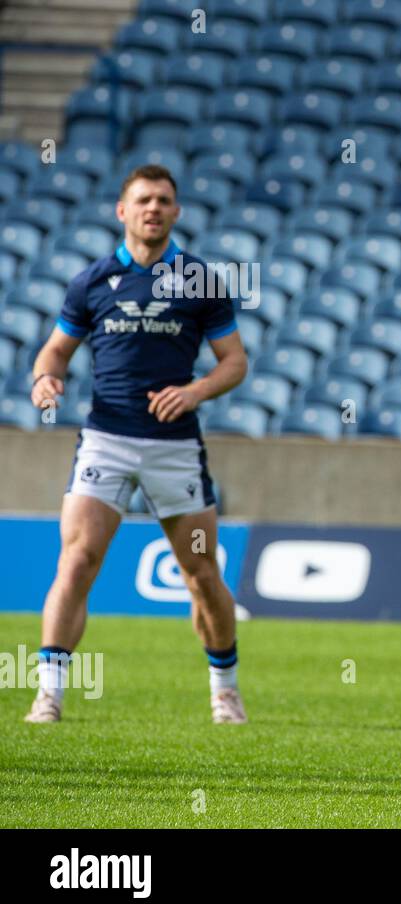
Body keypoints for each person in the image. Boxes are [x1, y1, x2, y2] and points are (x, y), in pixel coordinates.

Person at [24, 164, 250, 725]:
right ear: (122, 211)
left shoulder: (200, 281)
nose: (154, 208)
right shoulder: (91, 282)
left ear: (176, 213)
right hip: (105, 441)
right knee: (77, 562)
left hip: (175, 449)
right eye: (144, 199)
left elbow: (236, 362)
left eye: (164, 200)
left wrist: (195, 391)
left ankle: (224, 688)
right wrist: (44, 379)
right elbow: (54, 351)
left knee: (201, 575)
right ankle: (48, 694)